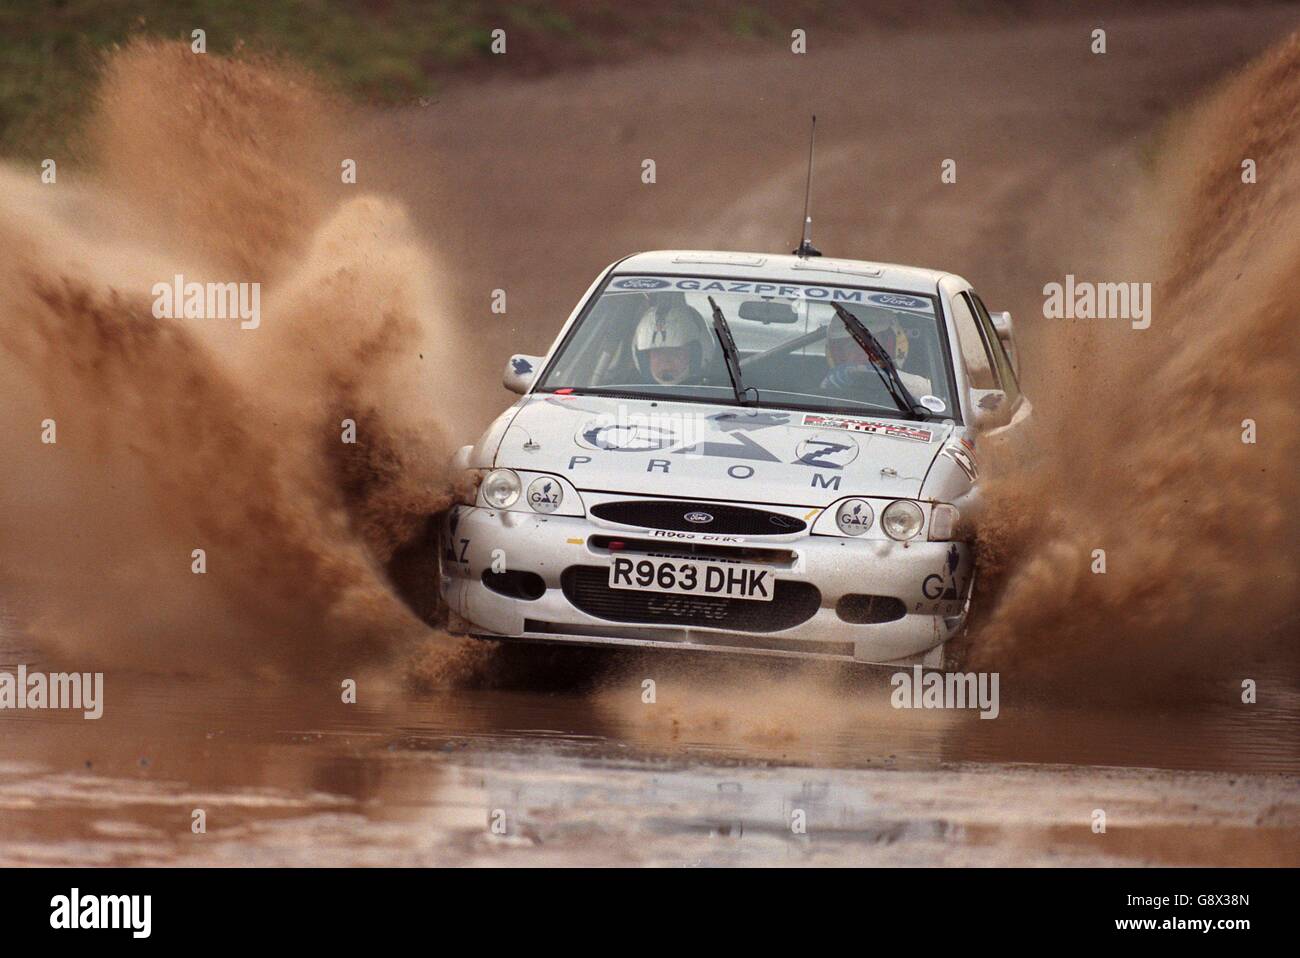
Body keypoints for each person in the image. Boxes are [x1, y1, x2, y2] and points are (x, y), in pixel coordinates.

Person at [821, 311, 931, 397]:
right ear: (839, 354)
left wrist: (891, 378)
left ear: (890, 348)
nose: (863, 353)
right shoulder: (828, 386)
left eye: (872, 346)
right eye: (852, 346)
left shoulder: (920, 386)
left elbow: (933, 398)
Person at [632, 300, 711, 386]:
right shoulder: (623, 390)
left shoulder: (723, 393)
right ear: (644, 359)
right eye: (658, 351)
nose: (666, 360)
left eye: (675, 351)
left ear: (696, 355)